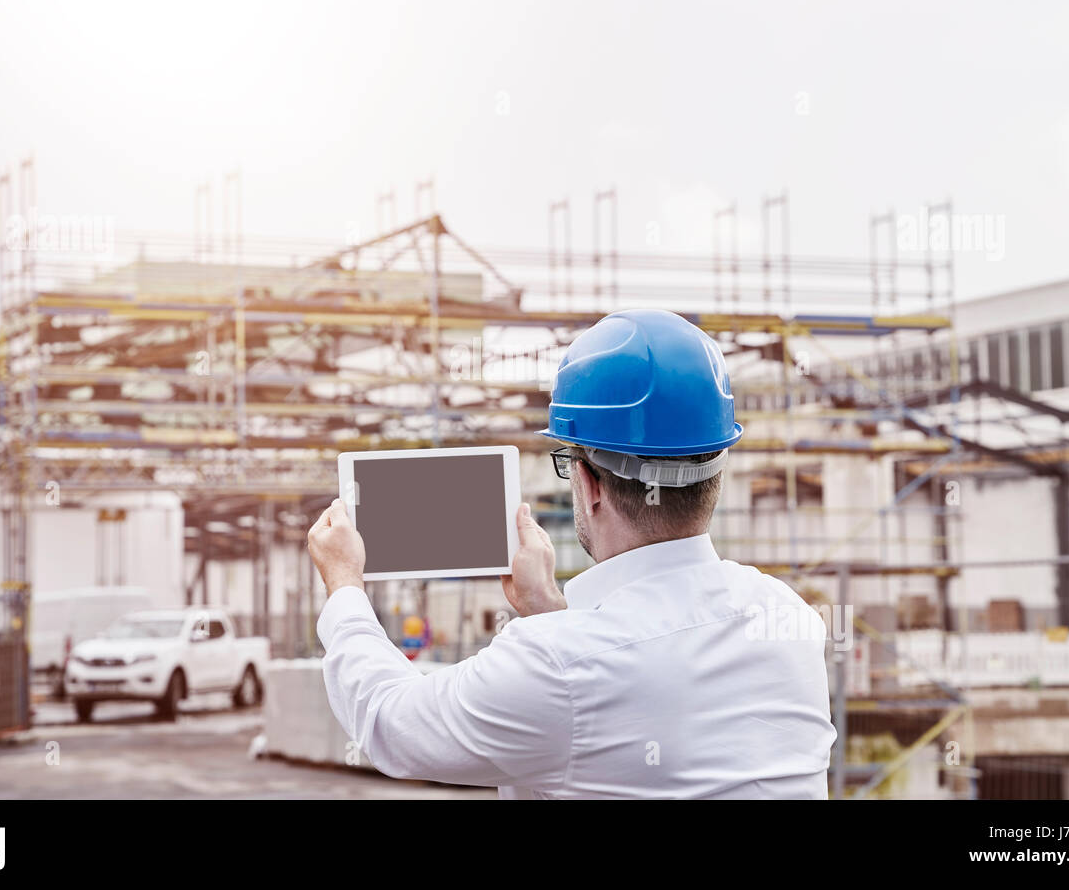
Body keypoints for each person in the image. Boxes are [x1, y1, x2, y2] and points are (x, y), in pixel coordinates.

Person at [308, 309, 836, 798]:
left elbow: (390, 723)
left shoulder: (554, 665)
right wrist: (549, 613)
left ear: (588, 483)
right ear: (716, 474)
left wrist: (343, 585)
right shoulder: (788, 618)